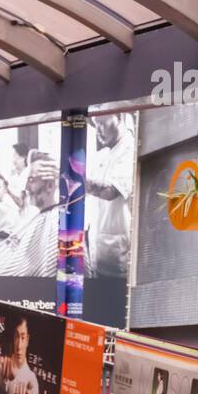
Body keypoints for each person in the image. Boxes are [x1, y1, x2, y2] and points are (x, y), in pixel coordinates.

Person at [0, 150, 59, 278]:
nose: (26, 186)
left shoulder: (58, 224)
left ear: (49, 185)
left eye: (31, 180)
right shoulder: (40, 218)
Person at [85, 113, 135, 278]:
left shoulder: (131, 149)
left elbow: (110, 192)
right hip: (98, 253)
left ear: (119, 117)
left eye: (101, 123)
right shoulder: (103, 154)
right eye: (95, 124)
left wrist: (76, 180)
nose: (98, 130)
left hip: (117, 256)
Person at [0, 316, 41, 394]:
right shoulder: (4, 365)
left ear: (27, 340)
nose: (19, 346)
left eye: (23, 337)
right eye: (16, 337)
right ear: (13, 339)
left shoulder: (31, 379)